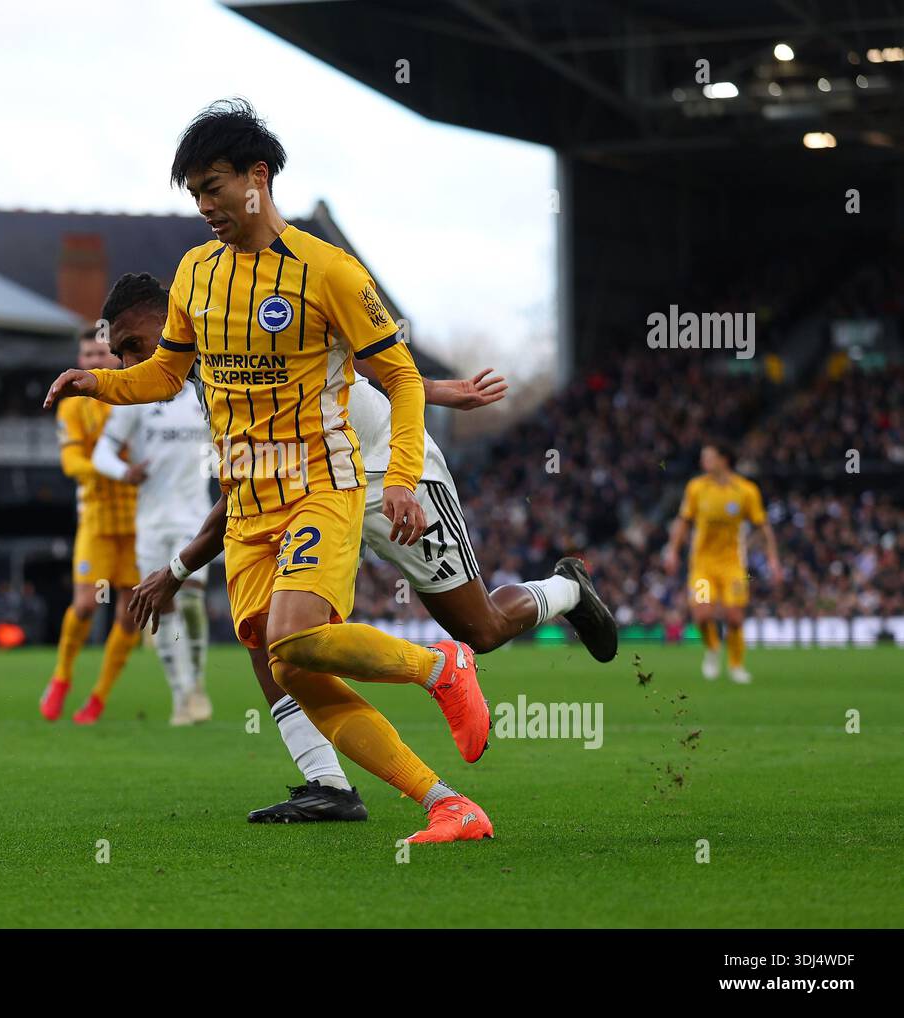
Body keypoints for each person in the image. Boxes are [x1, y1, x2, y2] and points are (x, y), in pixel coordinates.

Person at [47, 100, 607, 843]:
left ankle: (545, 601)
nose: (205, 206)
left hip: (361, 471)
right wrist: (98, 386)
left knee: (473, 627)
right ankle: (378, 791)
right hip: (266, 499)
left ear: (258, 176)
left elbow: (393, 376)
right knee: (280, 652)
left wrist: (405, 474)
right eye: (194, 194)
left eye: (213, 187)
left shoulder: (327, 272)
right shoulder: (197, 292)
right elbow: (186, 394)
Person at [102, 272, 617, 822]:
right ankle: (327, 783)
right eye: (118, 355)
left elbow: (348, 343)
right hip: (315, 488)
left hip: (388, 466)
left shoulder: (236, 321)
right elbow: (245, 484)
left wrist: (429, 391)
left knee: (481, 628)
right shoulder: (210, 385)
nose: (131, 363)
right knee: (263, 629)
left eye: (134, 345)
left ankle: (565, 589)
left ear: (169, 317)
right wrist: (178, 570)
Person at [90, 298, 215, 726]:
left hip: (194, 516)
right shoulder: (141, 393)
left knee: (193, 602)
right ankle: (180, 694)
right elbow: (101, 452)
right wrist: (125, 471)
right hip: (149, 520)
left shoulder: (203, 390)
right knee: (156, 610)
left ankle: (196, 685)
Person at [39, 327, 143, 724]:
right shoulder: (72, 406)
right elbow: (72, 464)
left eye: (100, 354)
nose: (93, 361)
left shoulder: (133, 398)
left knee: (127, 614)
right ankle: (62, 677)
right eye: (87, 355)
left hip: (138, 523)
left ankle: (98, 697)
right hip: (97, 521)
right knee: (84, 605)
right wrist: (115, 471)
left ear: (115, 358)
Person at [664, 443, 781, 683]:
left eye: (708, 457)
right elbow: (683, 521)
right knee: (702, 614)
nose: (703, 461)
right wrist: (672, 552)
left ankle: (736, 665)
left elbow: (763, 526)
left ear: (724, 459)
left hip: (732, 566)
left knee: (735, 617)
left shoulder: (745, 490)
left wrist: (772, 559)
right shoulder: (696, 487)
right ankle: (713, 649)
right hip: (703, 566)